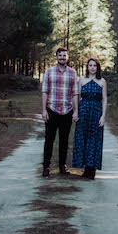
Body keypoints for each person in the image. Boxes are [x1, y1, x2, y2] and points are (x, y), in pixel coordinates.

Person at [41, 46, 79, 177]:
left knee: (64, 140)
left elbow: (75, 93)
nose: (62, 57)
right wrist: (44, 110)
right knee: (49, 139)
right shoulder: (49, 71)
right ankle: (46, 167)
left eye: (65, 56)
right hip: (51, 109)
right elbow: (45, 91)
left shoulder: (73, 73)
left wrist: (75, 111)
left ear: (67, 57)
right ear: (56, 57)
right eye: (60, 55)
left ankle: (62, 166)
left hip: (67, 110)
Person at [72, 57, 106, 179]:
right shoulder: (81, 79)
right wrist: (75, 112)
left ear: (97, 68)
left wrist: (103, 116)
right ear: (87, 67)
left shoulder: (102, 81)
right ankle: (85, 167)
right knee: (83, 138)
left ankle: (92, 169)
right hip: (83, 111)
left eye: (94, 66)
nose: (92, 68)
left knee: (94, 139)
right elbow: (77, 96)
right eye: (90, 65)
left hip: (96, 112)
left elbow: (104, 99)